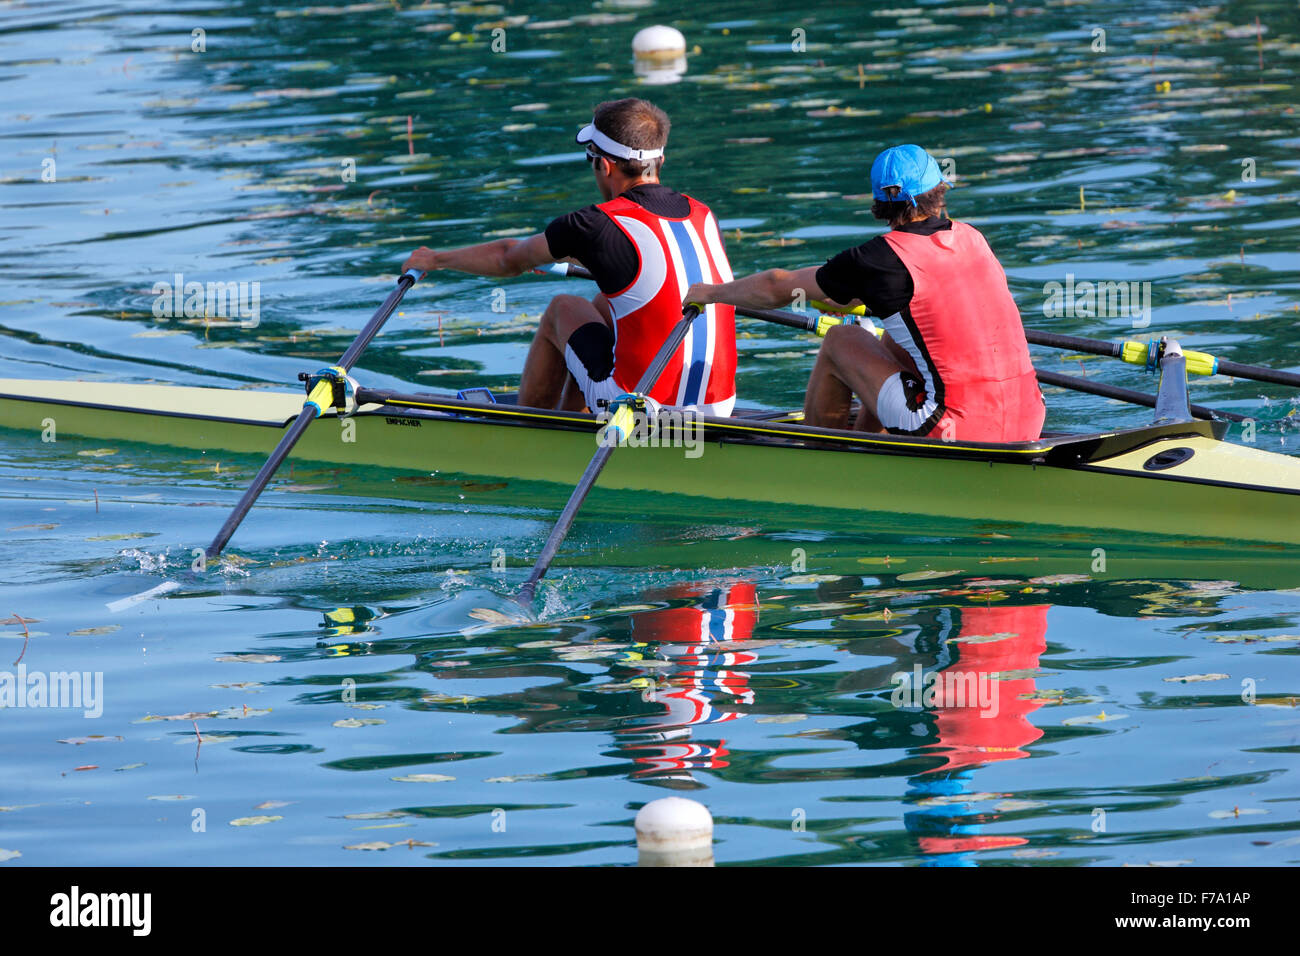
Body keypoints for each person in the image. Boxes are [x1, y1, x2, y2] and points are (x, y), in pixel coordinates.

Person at [683, 144, 1044, 442]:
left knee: (841, 339)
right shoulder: (973, 238)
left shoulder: (877, 260)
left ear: (878, 204)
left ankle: (827, 458)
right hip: (1029, 419)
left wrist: (710, 292)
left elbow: (778, 287)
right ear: (939, 190)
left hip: (955, 429)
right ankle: (874, 438)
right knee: (891, 339)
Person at [401, 98, 737, 416]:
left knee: (563, 308)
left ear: (604, 166)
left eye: (590, 160)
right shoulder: (703, 215)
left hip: (643, 412)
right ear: (659, 161)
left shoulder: (592, 224)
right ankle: (576, 414)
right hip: (719, 407)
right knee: (605, 304)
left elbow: (508, 258)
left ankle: (529, 429)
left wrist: (435, 259)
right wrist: (576, 257)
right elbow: (648, 263)